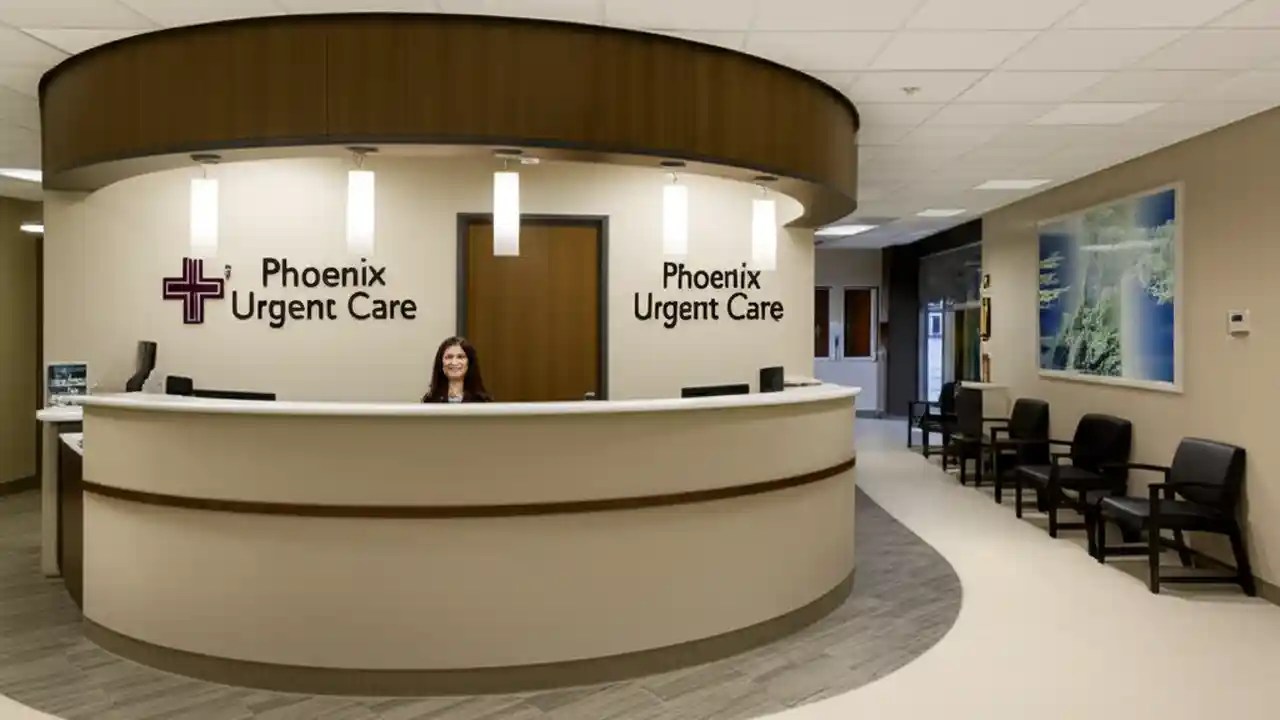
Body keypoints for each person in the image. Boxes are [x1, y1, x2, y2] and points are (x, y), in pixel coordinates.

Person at [421, 336, 493, 403]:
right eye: (449, 357)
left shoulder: (483, 402)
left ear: (469, 363)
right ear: (441, 363)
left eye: (460, 357)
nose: (454, 362)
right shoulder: (430, 401)